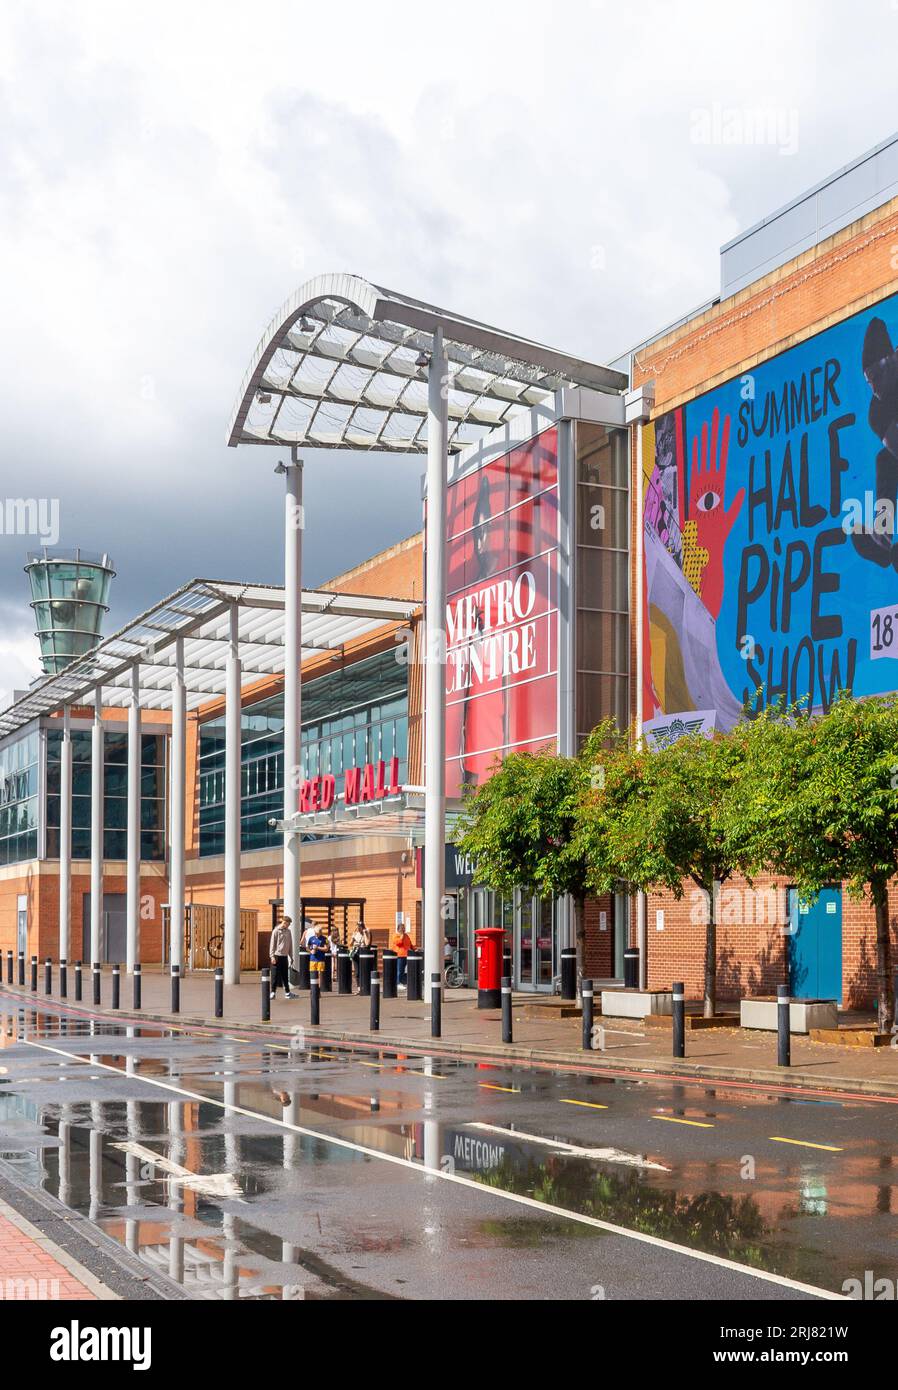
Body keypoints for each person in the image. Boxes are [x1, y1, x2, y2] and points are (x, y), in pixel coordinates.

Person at [269, 915, 295, 1000]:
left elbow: (290, 945)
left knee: (285, 975)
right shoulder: (276, 931)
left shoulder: (288, 931)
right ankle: (273, 992)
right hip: (277, 956)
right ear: (284, 922)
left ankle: (287, 992)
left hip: (284, 956)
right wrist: (272, 956)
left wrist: (291, 956)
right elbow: (272, 944)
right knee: (275, 975)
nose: (289, 925)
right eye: (288, 924)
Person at [350, 919, 371, 993]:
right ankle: (359, 988)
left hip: (363, 953)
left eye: (360, 927)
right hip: (355, 953)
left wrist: (365, 934)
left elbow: (367, 943)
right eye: (358, 927)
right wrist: (352, 939)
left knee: (363, 971)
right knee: (357, 972)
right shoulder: (355, 933)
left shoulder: (366, 933)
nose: (358, 929)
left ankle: (364, 987)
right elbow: (350, 944)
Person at [391, 922, 413, 989]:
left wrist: (414, 949)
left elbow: (410, 943)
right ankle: (398, 983)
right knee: (399, 970)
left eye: (404, 928)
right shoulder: (395, 935)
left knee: (403, 970)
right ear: (398, 929)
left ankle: (401, 982)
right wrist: (401, 937)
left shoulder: (406, 935)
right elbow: (398, 943)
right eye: (402, 928)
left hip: (407, 955)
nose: (403, 930)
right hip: (400, 956)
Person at [307, 923, 328, 987]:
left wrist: (317, 948)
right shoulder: (311, 938)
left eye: (318, 932)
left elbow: (326, 949)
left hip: (321, 959)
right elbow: (307, 947)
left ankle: (318, 989)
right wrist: (310, 951)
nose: (316, 934)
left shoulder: (324, 939)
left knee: (320, 974)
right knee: (312, 974)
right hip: (312, 959)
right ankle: (313, 989)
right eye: (316, 932)